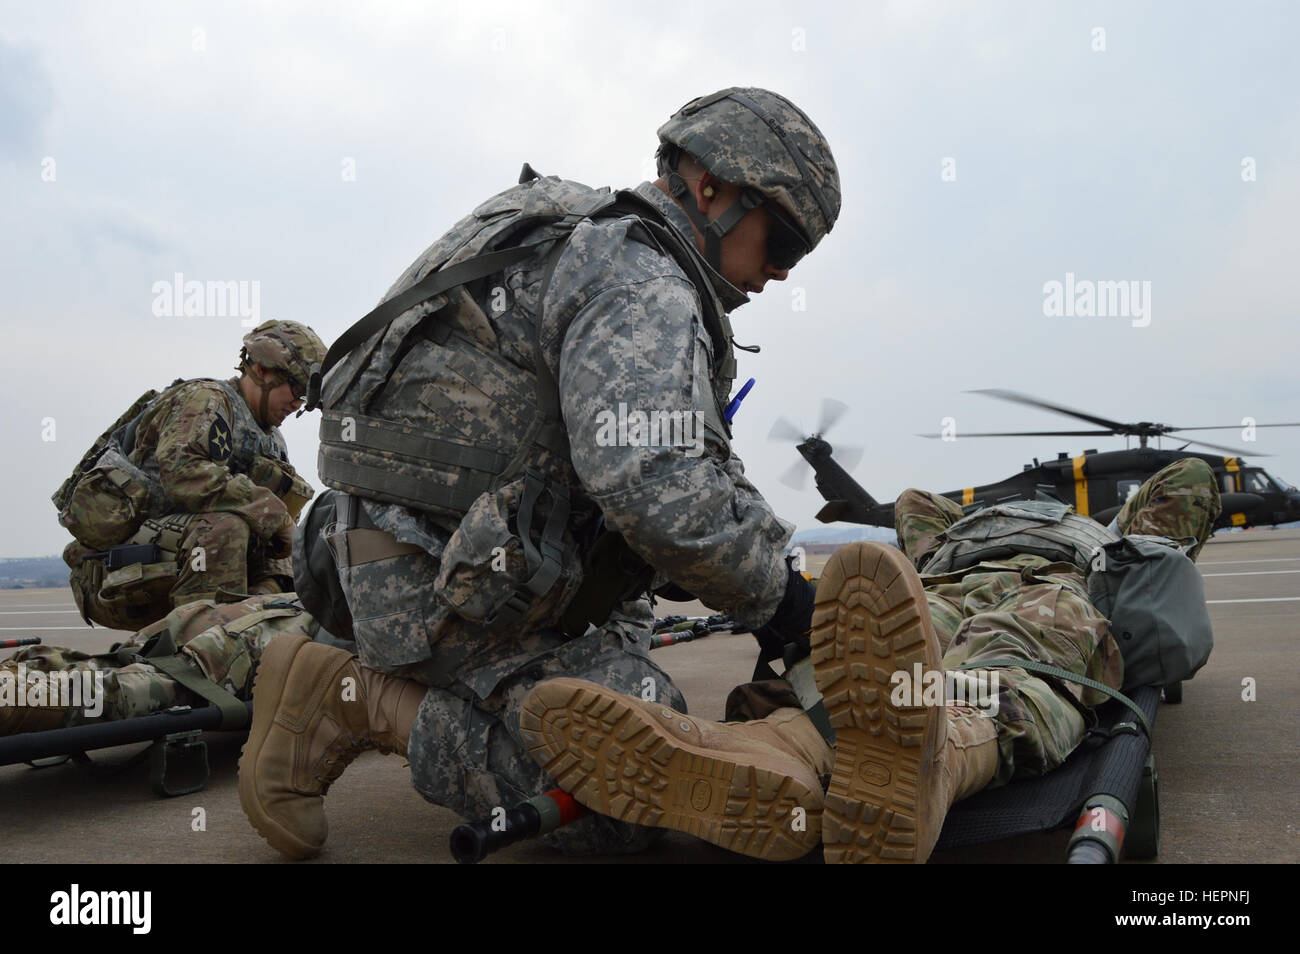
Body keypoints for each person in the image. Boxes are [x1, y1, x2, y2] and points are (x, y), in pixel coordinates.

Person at [237, 87, 844, 861]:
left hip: (396, 545)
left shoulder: (572, 227)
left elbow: (683, 469)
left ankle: (370, 656)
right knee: (636, 787)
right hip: (437, 573)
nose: (782, 274)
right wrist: (782, 603)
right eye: (782, 243)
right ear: (713, 187)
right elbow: (657, 486)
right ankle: (350, 698)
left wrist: (751, 570)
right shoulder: (640, 281)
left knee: (637, 685)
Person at [521, 457, 1222, 863]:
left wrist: (1118, 533)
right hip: (945, 585)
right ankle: (771, 754)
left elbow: (1188, 481)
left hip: (1056, 586)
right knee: (870, 675)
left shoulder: (1105, 535)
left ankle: (935, 761)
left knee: (1005, 660)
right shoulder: (958, 524)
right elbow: (916, 505)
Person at [56, 320, 326, 632]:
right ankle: (199, 650)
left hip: (175, 561)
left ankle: (248, 633)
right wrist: (274, 515)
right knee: (227, 526)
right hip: (116, 570)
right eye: (295, 389)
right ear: (261, 370)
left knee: (291, 554)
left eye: (304, 398)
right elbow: (183, 474)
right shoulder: (206, 401)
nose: (297, 404)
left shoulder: (270, 439)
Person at [0, 593, 330, 737]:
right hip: (243, 641)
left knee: (114, 675)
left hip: (230, 623)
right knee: (125, 690)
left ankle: (16, 692)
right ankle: (14, 694)